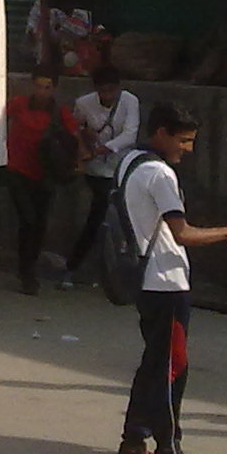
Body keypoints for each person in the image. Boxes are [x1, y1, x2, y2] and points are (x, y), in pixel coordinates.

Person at [113, 104, 227, 454]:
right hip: (165, 280)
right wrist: (226, 233)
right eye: (183, 140)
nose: (187, 149)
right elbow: (182, 233)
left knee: (154, 363)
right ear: (160, 133)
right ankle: (168, 451)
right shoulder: (160, 174)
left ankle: (134, 443)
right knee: (171, 369)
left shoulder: (129, 162)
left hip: (145, 278)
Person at [0, 67, 81, 296]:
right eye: (38, 86)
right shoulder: (18, 105)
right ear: (31, 86)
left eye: (47, 87)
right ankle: (26, 273)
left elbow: (74, 138)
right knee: (28, 220)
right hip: (17, 171)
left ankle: (29, 269)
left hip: (44, 176)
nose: (42, 91)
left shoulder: (60, 113)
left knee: (39, 225)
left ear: (54, 89)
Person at [65, 64, 141, 287]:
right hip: (97, 170)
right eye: (102, 91)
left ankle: (120, 270)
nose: (106, 96)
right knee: (98, 217)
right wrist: (83, 141)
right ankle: (74, 267)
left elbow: (130, 134)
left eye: (110, 90)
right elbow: (73, 127)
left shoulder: (130, 101)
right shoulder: (83, 103)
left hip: (122, 168)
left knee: (123, 221)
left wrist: (102, 149)